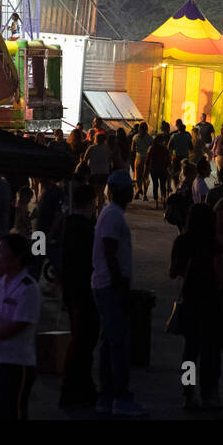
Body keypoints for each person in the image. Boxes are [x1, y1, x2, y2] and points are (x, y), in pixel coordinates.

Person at [92, 178, 148, 417]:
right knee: (119, 344)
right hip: (110, 287)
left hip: (105, 285)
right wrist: (120, 286)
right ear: (117, 191)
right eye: (128, 189)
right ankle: (120, 397)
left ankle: (106, 396)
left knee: (109, 343)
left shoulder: (110, 213)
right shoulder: (113, 216)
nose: (131, 192)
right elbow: (110, 250)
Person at [0, 233, 41, 420]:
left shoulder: (28, 288)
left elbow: (20, 323)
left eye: (1, 254)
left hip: (14, 360)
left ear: (16, 257)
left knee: (12, 412)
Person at [170, 202, 223, 411]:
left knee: (190, 353)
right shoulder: (213, 244)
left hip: (190, 302)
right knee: (211, 353)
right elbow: (220, 274)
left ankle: (188, 393)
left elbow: (173, 272)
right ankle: (209, 393)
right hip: (212, 302)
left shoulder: (182, 241)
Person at [58, 184, 99, 409]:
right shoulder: (80, 228)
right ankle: (74, 388)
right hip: (82, 292)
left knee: (82, 340)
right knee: (82, 341)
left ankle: (80, 386)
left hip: (75, 291)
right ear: (89, 203)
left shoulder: (70, 225)